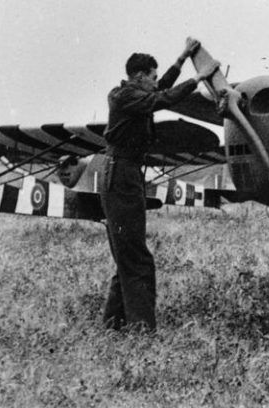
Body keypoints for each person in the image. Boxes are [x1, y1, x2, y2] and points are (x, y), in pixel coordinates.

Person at [99, 38, 217, 332]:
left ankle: (113, 325)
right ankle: (142, 330)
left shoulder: (131, 95)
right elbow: (162, 98)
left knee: (127, 253)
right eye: (152, 77)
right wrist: (198, 78)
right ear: (139, 77)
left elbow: (161, 89)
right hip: (122, 176)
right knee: (137, 258)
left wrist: (182, 58)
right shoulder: (126, 97)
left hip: (123, 174)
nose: (156, 82)